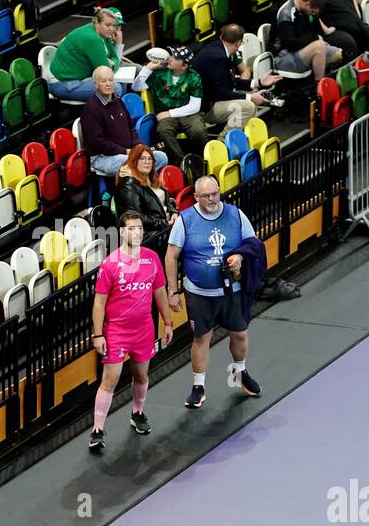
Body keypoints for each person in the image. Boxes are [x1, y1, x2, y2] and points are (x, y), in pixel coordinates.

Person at [164, 176, 260, 408]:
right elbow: (171, 257)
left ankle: (239, 372)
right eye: (206, 196)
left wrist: (239, 258)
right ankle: (198, 388)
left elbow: (254, 243)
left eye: (215, 193)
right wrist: (173, 291)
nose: (212, 199)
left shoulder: (235, 214)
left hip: (231, 291)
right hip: (199, 293)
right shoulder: (185, 220)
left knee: (240, 333)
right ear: (196, 197)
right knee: (201, 338)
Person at [87, 209, 173, 453]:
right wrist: (98, 334)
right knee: (110, 379)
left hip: (144, 329)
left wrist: (167, 322)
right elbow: (99, 303)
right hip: (115, 331)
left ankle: (137, 413)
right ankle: (98, 429)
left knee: (141, 375)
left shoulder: (152, 258)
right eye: (132, 229)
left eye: (140, 228)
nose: (137, 232)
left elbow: (159, 293)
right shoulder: (110, 264)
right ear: (122, 232)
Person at [189, 23, 282, 128]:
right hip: (204, 109)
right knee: (247, 107)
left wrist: (258, 82)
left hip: (210, 100)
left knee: (248, 102)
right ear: (238, 43)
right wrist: (250, 97)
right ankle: (224, 141)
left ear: (221, 37)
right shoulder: (218, 57)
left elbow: (228, 82)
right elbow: (222, 93)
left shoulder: (217, 48)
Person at [81, 65, 168, 176]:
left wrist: (138, 146)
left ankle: (146, 187)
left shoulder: (118, 100)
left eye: (111, 80)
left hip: (128, 152)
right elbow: (97, 143)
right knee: (133, 163)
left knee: (161, 157)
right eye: (103, 81)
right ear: (95, 84)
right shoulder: (91, 109)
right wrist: (126, 151)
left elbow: (131, 128)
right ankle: (141, 188)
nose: (108, 84)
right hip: (103, 157)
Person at [133, 45, 207, 163]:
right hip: (164, 113)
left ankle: (201, 159)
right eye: (172, 55)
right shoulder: (159, 73)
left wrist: (169, 113)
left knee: (198, 131)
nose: (171, 59)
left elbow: (195, 106)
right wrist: (148, 68)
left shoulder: (193, 77)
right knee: (163, 131)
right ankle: (181, 163)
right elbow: (136, 87)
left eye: (176, 58)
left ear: (184, 66)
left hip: (188, 113)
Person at [48, 7, 123, 102]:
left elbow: (114, 57)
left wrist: (113, 61)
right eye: (108, 25)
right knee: (115, 88)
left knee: (121, 82)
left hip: (78, 77)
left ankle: (121, 114)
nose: (112, 29)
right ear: (97, 23)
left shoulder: (103, 32)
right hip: (63, 83)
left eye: (114, 25)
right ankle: (108, 116)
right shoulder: (93, 39)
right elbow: (106, 71)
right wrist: (113, 63)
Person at [112, 144, 176, 252]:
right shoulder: (129, 183)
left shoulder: (151, 177)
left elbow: (165, 200)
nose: (147, 162)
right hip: (146, 234)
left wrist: (174, 212)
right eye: (142, 158)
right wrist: (164, 223)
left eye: (150, 159)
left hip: (163, 226)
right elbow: (135, 216)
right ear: (134, 160)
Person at [272, 0, 343, 79]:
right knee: (319, 47)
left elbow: (312, 31)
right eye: (312, 12)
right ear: (307, 4)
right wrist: (314, 38)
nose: (313, 15)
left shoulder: (303, 9)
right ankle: (320, 84)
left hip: (301, 49)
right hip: (283, 56)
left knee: (340, 54)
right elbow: (290, 44)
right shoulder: (286, 14)